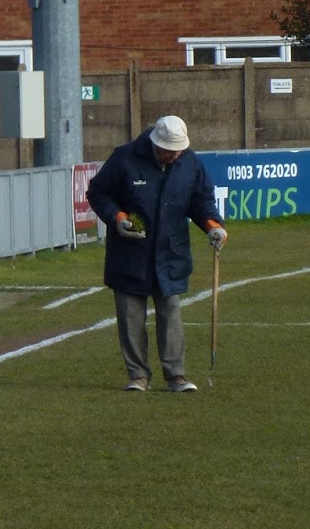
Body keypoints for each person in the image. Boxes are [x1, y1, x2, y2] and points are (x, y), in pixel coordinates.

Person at [86, 115, 227, 393]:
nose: (175, 155)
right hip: (128, 253)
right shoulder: (124, 158)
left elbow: (201, 200)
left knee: (170, 312)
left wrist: (213, 226)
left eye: (179, 150)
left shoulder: (190, 162)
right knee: (131, 316)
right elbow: (98, 193)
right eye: (169, 151)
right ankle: (138, 375)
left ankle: (176, 375)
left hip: (170, 252)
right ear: (155, 144)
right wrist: (118, 218)